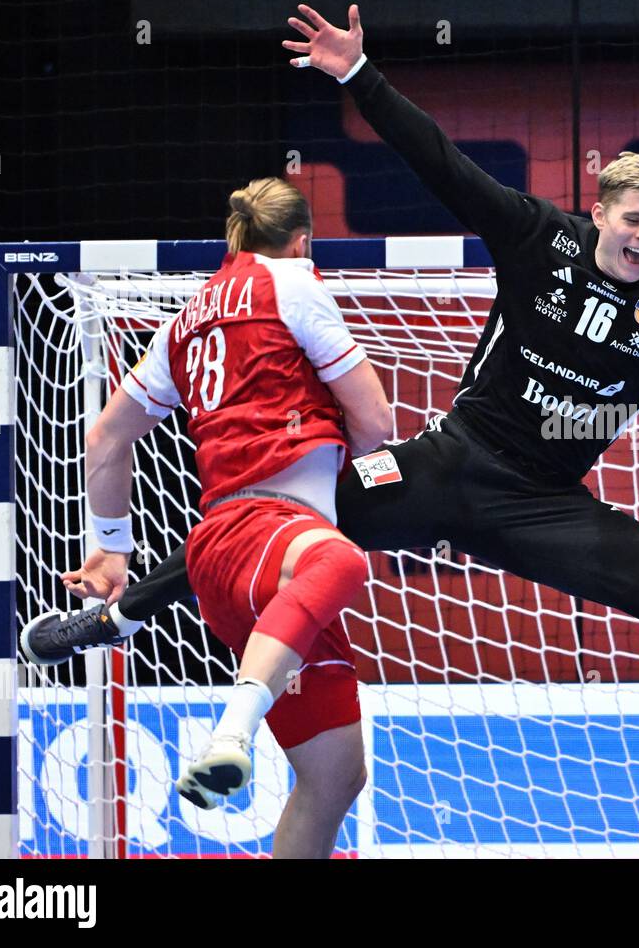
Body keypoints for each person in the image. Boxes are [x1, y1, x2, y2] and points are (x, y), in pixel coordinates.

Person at [31, 4, 639, 714]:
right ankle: (117, 616)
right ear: (600, 213)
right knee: (268, 513)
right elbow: (440, 162)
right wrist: (355, 75)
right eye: (631, 219)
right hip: (445, 461)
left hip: (542, 502)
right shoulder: (533, 237)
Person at [21, 177, 393, 858]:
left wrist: (110, 549)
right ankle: (232, 734)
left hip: (228, 568)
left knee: (336, 774)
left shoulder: (184, 320)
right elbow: (376, 421)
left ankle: (125, 619)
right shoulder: (294, 283)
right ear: (301, 243)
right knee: (338, 559)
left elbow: (104, 438)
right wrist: (363, 469)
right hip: (268, 541)